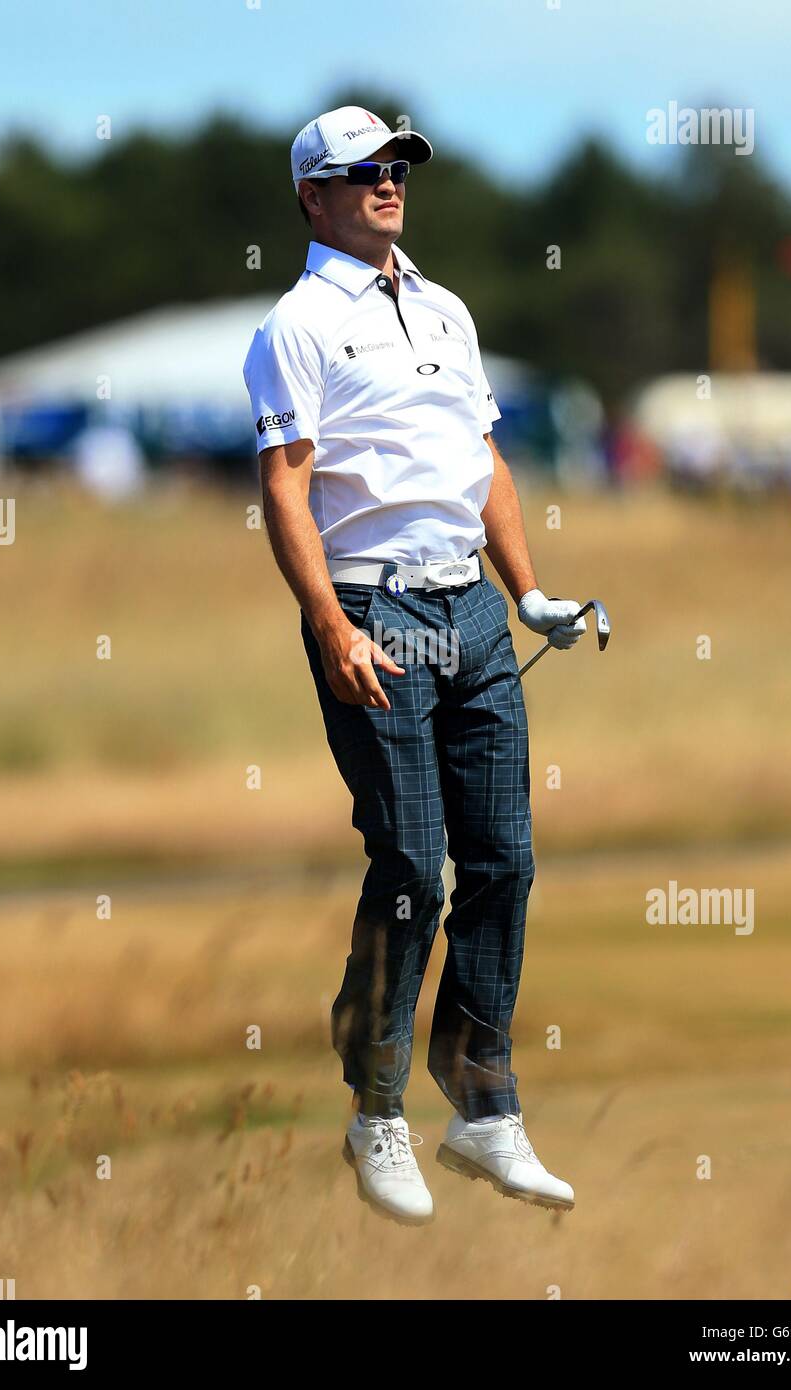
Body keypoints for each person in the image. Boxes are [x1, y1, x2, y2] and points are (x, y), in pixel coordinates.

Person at [244, 105, 585, 1225]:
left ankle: (481, 1106)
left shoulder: (444, 309)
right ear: (312, 195)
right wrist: (330, 626)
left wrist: (525, 585)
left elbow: (479, 457)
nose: (388, 183)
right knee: (409, 864)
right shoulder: (293, 325)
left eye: (396, 167)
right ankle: (376, 1105)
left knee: (506, 861)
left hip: (469, 604)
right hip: (368, 604)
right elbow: (286, 488)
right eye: (361, 172)